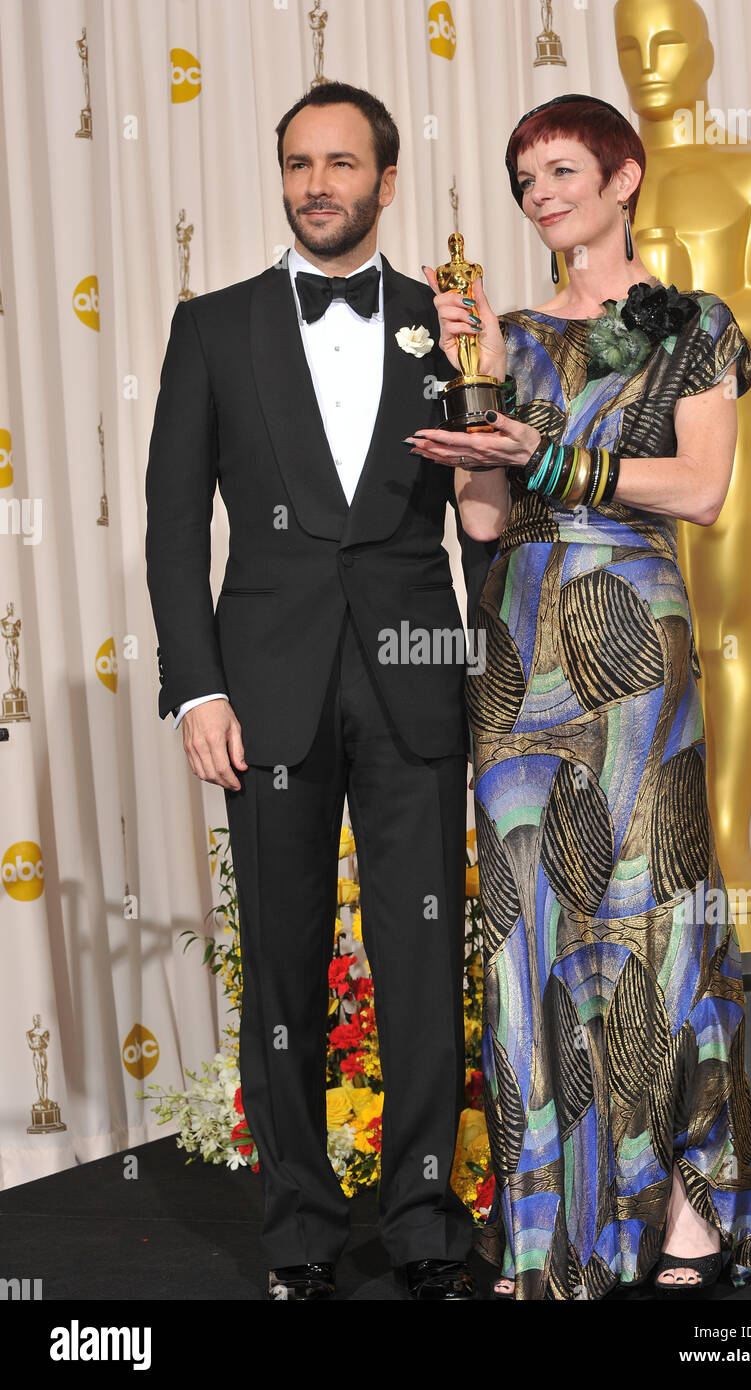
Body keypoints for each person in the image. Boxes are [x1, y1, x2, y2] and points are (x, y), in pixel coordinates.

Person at [408, 93, 751, 1300]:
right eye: (525, 180)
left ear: (625, 177)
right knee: (532, 931)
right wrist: (472, 398)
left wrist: (553, 457)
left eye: (563, 169)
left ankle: (683, 1207)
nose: (543, 195)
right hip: (521, 639)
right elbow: (483, 520)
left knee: (652, 913)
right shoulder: (507, 335)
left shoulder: (693, 324)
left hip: (636, 634)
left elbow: (700, 491)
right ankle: (548, 1234)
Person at [145, 82, 496, 1301]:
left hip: (417, 681)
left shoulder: (448, 322)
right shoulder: (211, 325)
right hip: (264, 691)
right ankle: (297, 1225)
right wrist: (195, 691)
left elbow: (484, 524)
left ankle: (423, 1218)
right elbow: (170, 525)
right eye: (299, 161)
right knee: (282, 965)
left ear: (386, 182)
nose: (317, 183)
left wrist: (501, 684)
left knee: (421, 960)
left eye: (342, 162)